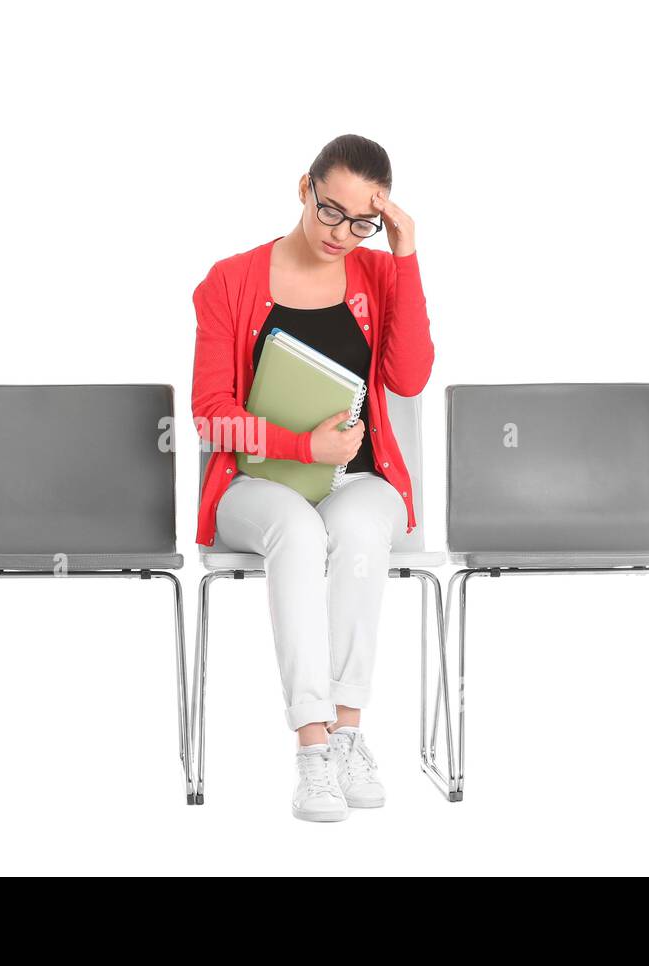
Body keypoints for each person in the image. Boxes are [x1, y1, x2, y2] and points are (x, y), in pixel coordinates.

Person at [190, 133, 434, 822]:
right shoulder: (229, 282)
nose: (343, 234)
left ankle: (350, 731)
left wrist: (404, 253)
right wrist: (303, 445)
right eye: (332, 212)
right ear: (305, 188)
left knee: (357, 525)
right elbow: (212, 420)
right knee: (296, 530)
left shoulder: (380, 275)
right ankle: (313, 749)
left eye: (364, 222)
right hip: (256, 488)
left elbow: (410, 376)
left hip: (356, 482)